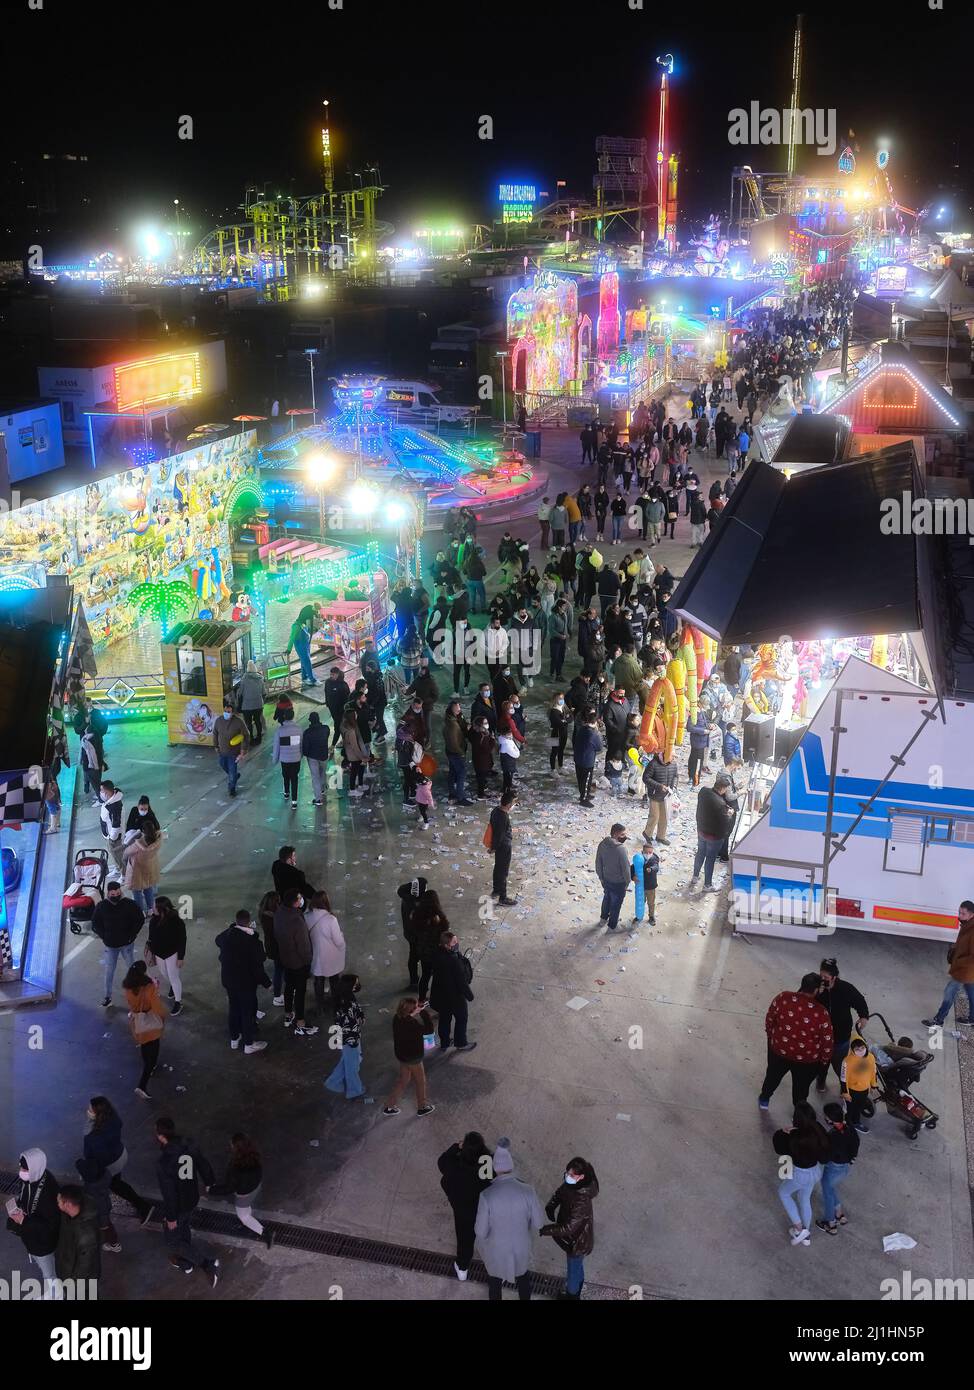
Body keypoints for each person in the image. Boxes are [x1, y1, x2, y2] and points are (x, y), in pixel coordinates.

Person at [76, 1096, 154, 1246]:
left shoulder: (93, 1137)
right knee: (117, 1182)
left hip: (110, 1164)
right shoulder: (113, 1119)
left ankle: (143, 1206)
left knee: (116, 1185)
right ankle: (142, 1206)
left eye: (91, 1109)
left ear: (97, 1113)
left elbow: (94, 1157)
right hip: (120, 1155)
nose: (88, 1110)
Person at [474, 1141, 545, 1301]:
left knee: (494, 1281)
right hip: (520, 1248)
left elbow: (480, 1232)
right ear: (511, 1167)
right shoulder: (528, 1191)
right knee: (523, 1278)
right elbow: (539, 1224)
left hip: (496, 1250)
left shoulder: (486, 1195)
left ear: (495, 1169)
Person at [155, 1117, 220, 1286]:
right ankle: (186, 1262)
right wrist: (209, 1182)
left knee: (173, 1241)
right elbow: (202, 1163)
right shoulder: (188, 1144)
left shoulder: (164, 1163)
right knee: (183, 1228)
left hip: (178, 1206)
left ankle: (207, 1264)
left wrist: (170, 1217)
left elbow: (169, 1194)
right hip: (192, 1198)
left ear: (161, 1136)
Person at [759, 973, 835, 1109]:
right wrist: (823, 1062)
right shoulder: (821, 1013)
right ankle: (799, 1114)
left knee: (772, 1077)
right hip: (807, 1060)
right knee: (801, 1090)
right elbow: (827, 1042)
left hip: (779, 1051)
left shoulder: (783, 997)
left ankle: (764, 1099)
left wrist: (772, 1038)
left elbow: (770, 1019)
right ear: (816, 990)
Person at [540, 1157, 599, 1300]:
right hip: (574, 1239)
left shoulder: (581, 1201)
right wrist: (551, 1205)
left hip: (577, 1242)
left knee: (573, 1270)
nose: (567, 1177)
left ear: (581, 1177)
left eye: (572, 1175)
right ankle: (578, 1285)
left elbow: (568, 1228)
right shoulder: (572, 1184)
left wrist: (546, 1230)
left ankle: (572, 1295)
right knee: (576, 1266)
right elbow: (561, 1192)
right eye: (567, 1173)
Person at [772, 1103, 830, 1246]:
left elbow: (779, 1149)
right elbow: (824, 1156)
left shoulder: (794, 1136)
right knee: (804, 1198)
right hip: (816, 1171)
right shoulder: (818, 1129)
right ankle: (806, 1234)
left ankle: (799, 1228)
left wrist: (783, 1131)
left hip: (800, 1174)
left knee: (783, 1193)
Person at [438, 1132, 493, 1282]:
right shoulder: (486, 1161)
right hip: (483, 1207)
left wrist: (456, 1146)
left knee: (465, 1239)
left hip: (463, 1210)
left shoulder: (454, 1166)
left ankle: (462, 1268)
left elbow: (442, 1162)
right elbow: (491, 1178)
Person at [6, 1148, 61, 1297]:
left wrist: (24, 1220)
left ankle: (56, 1295)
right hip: (32, 1237)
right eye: (21, 1167)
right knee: (44, 1267)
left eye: (25, 1168)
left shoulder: (49, 1191)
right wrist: (20, 1209)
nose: (22, 1171)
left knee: (49, 1273)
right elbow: (26, 1199)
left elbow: (50, 1226)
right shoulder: (31, 1179)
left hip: (44, 1243)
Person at [215, 908, 270, 1054]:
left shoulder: (227, 936)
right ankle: (249, 1044)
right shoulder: (253, 942)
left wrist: (233, 928)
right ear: (249, 923)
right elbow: (258, 965)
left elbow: (217, 939)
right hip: (245, 983)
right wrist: (267, 983)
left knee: (234, 1008)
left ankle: (234, 1038)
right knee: (247, 1012)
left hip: (229, 980)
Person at [208, 1133, 273, 1248]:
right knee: (247, 1208)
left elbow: (229, 1188)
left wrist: (211, 1190)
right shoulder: (255, 1156)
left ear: (236, 1148)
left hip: (244, 1195)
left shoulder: (235, 1168)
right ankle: (248, 1212)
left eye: (232, 1145)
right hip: (255, 1187)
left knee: (243, 1217)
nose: (230, 1146)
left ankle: (265, 1233)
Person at [815, 958, 869, 1091]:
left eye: (826, 977)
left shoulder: (846, 989)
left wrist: (864, 1017)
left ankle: (844, 1086)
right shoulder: (815, 986)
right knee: (822, 1063)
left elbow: (859, 1001)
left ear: (834, 977)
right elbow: (803, 997)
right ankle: (820, 1080)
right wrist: (816, 994)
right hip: (820, 1036)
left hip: (841, 1037)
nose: (822, 979)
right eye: (821, 975)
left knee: (841, 1065)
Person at [922, 900, 974, 1029]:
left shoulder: (972, 929)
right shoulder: (967, 924)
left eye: (963, 913)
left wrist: (958, 961)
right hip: (967, 970)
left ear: (971, 914)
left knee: (949, 993)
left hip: (964, 970)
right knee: (971, 993)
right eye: (959, 912)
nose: (959, 916)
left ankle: (938, 1021)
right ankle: (972, 1019)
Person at [274, 889, 319, 1037]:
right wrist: (308, 962)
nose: (302, 901)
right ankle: (300, 1022)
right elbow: (304, 946)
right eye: (299, 899)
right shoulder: (297, 921)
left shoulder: (279, 913)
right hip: (298, 962)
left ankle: (288, 1014)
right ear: (295, 902)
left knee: (289, 987)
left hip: (285, 958)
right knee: (300, 991)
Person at [382, 997, 436, 1116]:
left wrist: (416, 1011)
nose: (418, 1007)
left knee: (403, 1080)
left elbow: (410, 1021)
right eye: (416, 1006)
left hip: (402, 1055)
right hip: (413, 1057)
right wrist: (423, 1013)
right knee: (421, 1081)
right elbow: (429, 1030)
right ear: (411, 1010)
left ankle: (389, 1106)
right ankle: (422, 1107)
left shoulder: (397, 1018)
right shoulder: (412, 1023)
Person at [123, 960, 166, 1099]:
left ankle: (148, 1065)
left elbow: (131, 1005)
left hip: (138, 1022)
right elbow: (157, 1006)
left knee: (144, 1045)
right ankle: (142, 1085)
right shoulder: (148, 988)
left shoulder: (128, 989)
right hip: (150, 1023)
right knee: (153, 1050)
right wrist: (163, 1016)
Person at [816, 1101, 860, 1234]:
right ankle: (839, 1214)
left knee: (827, 1194)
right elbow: (856, 1143)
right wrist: (852, 1158)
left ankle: (830, 1223)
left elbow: (826, 1156)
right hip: (845, 1167)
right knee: (831, 1188)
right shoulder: (850, 1128)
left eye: (826, 1117)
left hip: (833, 1169)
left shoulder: (832, 1136)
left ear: (830, 1119)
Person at [430, 929, 476, 1052]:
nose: (457, 943)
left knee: (445, 1019)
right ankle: (461, 1043)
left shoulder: (437, 954)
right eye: (454, 942)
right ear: (446, 945)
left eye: (456, 940)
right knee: (462, 1018)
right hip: (455, 997)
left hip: (441, 996)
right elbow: (461, 982)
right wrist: (470, 996)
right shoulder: (453, 961)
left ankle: (445, 1042)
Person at [689, 772, 735, 891]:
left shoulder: (704, 791)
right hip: (713, 837)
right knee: (710, 858)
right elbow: (725, 822)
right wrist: (729, 814)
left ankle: (695, 877)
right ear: (723, 788)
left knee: (700, 853)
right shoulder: (720, 804)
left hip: (701, 830)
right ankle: (707, 885)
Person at [324, 973, 366, 1099]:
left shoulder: (347, 997)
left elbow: (356, 1010)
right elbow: (348, 1024)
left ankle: (333, 1082)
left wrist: (361, 1016)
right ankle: (354, 1090)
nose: (357, 986)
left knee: (350, 1061)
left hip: (350, 1036)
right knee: (352, 1065)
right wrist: (358, 1023)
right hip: (350, 1038)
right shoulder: (345, 1004)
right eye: (355, 983)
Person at [145, 896, 186, 1015]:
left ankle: (178, 1002)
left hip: (172, 954)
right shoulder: (154, 920)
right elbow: (151, 937)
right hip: (159, 954)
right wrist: (151, 952)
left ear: (162, 908)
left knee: (174, 977)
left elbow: (182, 940)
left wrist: (180, 957)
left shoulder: (176, 922)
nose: (152, 908)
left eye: (154, 906)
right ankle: (173, 987)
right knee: (164, 974)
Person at [308, 889, 345, 1016]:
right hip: (331, 955)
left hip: (316, 955)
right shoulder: (331, 919)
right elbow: (338, 941)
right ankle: (337, 1006)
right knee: (334, 980)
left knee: (319, 980)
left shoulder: (307, 916)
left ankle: (320, 1007)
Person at [54, 1185, 101, 1287]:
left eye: (59, 1201)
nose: (57, 1204)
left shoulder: (86, 1235)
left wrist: (72, 1283)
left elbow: (85, 1266)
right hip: (67, 1270)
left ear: (68, 1205)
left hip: (81, 1283)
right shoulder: (69, 1214)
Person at [840, 1034, 878, 1134]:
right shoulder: (847, 1061)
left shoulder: (870, 1057)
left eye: (862, 1048)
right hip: (852, 1091)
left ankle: (856, 1122)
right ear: (852, 1049)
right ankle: (848, 1124)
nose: (861, 1051)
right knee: (850, 1108)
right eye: (857, 1049)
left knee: (859, 1107)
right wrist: (845, 1092)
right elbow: (843, 1078)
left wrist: (873, 1085)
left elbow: (873, 1071)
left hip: (864, 1090)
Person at [595, 823, 630, 931]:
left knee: (606, 899)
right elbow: (626, 869)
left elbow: (598, 862)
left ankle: (603, 919)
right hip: (618, 883)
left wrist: (601, 877)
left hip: (606, 880)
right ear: (615, 834)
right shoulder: (621, 849)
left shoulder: (602, 844)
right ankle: (612, 927)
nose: (625, 837)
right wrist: (627, 882)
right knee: (616, 905)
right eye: (623, 834)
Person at [122, 821, 162, 915]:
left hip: (137, 870)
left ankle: (141, 912)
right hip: (150, 867)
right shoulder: (158, 840)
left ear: (143, 831)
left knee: (137, 891)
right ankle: (151, 909)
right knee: (148, 888)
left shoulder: (138, 845)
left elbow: (126, 853)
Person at [213, 700, 249, 797]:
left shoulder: (238, 722)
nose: (226, 713)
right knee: (223, 765)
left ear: (232, 713)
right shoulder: (219, 721)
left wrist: (243, 750)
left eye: (228, 712)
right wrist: (216, 746)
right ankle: (234, 776)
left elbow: (245, 735)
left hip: (233, 753)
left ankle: (232, 788)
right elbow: (215, 733)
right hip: (222, 751)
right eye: (225, 711)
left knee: (232, 771)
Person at [489, 790, 517, 906]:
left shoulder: (495, 810)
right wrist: (493, 848)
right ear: (509, 805)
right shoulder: (504, 817)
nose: (514, 805)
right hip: (504, 847)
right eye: (514, 803)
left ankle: (496, 890)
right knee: (503, 871)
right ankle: (503, 898)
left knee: (497, 867)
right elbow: (499, 835)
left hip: (499, 845)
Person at [641, 751, 676, 845]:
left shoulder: (673, 764)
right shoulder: (653, 764)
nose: (673, 758)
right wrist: (659, 786)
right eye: (672, 756)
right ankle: (647, 834)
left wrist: (673, 788)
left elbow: (675, 777)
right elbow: (646, 778)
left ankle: (661, 836)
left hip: (666, 796)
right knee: (655, 816)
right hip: (655, 794)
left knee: (664, 817)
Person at [443, 698, 473, 805]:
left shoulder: (454, 720)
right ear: (452, 711)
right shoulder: (452, 725)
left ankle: (452, 793)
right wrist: (461, 753)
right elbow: (453, 743)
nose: (459, 711)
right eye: (457, 710)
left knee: (453, 772)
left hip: (452, 751)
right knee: (461, 773)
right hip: (456, 752)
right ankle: (460, 797)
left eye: (459, 709)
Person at [272, 708, 303, 808]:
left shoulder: (280, 730)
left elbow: (276, 746)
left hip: (284, 759)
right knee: (295, 778)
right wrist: (300, 755)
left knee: (285, 776)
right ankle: (294, 801)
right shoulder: (299, 729)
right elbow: (301, 744)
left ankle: (286, 792)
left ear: (284, 716)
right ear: (293, 716)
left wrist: (275, 760)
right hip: (296, 759)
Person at [300, 711, 331, 808]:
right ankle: (322, 789)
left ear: (310, 721)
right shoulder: (326, 729)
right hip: (324, 755)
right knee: (322, 773)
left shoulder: (307, 733)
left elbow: (305, 747)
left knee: (315, 777)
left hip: (312, 757)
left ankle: (318, 799)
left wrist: (305, 754)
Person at [572, 711, 603, 807]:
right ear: (596, 722)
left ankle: (585, 794)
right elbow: (599, 747)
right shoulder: (594, 734)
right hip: (587, 761)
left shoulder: (581, 728)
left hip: (578, 757)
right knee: (586, 780)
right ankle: (583, 799)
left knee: (580, 778)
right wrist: (598, 733)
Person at [236, 660, 267, 745]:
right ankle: (259, 738)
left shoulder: (244, 679)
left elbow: (240, 693)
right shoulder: (260, 678)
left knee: (248, 723)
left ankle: (251, 739)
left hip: (247, 706)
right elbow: (264, 692)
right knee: (258, 721)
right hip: (258, 705)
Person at [98, 780, 125, 871]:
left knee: (118, 856)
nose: (101, 793)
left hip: (114, 838)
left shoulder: (115, 805)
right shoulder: (109, 801)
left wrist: (112, 838)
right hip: (109, 835)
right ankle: (118, 868)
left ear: (107, 792)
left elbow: (116, 824)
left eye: (102, 791)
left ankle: (123, 874)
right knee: (114, 855)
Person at [632, 843, 660, 926]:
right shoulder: (639, 859)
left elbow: (656, 867)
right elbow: (632, 869)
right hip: (641, 887)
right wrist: (632, 877)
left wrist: (651, 869)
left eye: (650, 852)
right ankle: (639, 916)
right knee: (640, 901)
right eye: (646, 852)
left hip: (651, 887)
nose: (648, 854)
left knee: (651, 903)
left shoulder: (654, 859)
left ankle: (651, 916)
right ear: (642, 851)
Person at [324, 666, 351, 740]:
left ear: (337, 674)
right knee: (337, 723)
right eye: (330, 674)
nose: (331, 676)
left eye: (333, 675)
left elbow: (347, 698)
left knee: (339, 726)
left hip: (340, 711)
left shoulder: (343, 685)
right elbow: (326, 692)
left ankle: (343, 739)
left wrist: (343, 710)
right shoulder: (328, 682)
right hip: (332, 709)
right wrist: (327, 704)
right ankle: (343, 738)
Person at [548, 692, 570, 772]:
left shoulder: (564, 708)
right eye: (560, 698)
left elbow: (571, 717)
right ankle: (553, 769)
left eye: (562, 698)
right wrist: (565, 720)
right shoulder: (553, 711)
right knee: (554, 752)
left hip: (564, 733)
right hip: (555, 734)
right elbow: (559, 723)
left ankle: (561, 767)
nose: (562, 700)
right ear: (555, 699)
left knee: (561, 750)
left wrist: (565, 720)